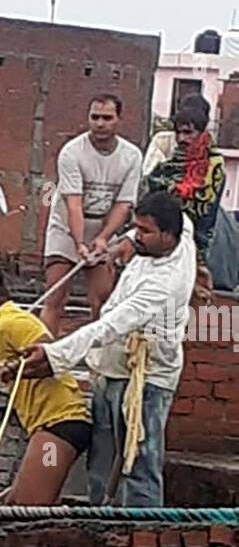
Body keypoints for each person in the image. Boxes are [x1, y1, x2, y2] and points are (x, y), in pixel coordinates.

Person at [20, 191, 196, 507]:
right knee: (101, 460)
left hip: (147, 379)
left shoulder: (164, 284)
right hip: (110, 368)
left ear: (169, 236)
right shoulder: (181, 229)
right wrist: (120, 244)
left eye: (144, 232)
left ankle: (140, 538)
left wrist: (55, 355)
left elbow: (110, 325)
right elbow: (143, 234)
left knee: (139, 464)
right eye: (136, 228)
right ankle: (98, 531)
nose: (137, 235)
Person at [0, 264, 90, 504]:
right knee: (12, 504)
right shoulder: (7, 322)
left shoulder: (10, 322)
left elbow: (48, 350)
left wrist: (18, 371)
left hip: (59, 428)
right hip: (50, 427)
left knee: (29, 507)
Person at [41, 94, 143, 336]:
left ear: (119, 120)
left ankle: (100, 359)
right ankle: (43, 352)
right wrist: (78, 244)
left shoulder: (132, 156)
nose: (100, 123)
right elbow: (73, 204)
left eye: (107, 118)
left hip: (104, 226)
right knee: (55, 294)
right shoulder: (71, 152)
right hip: (67, 227)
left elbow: (123, 204)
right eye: (94, 117)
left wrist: (104, 238)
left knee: (103, 298)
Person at [143, 97, 225, 265]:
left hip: (193, 245)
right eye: (178, 133)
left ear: (202, 133)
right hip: (156, 244)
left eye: (188, 133)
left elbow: (205, 214)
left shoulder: (213, 166)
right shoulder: (168, 163)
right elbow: (149, 191)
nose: (181, 139)